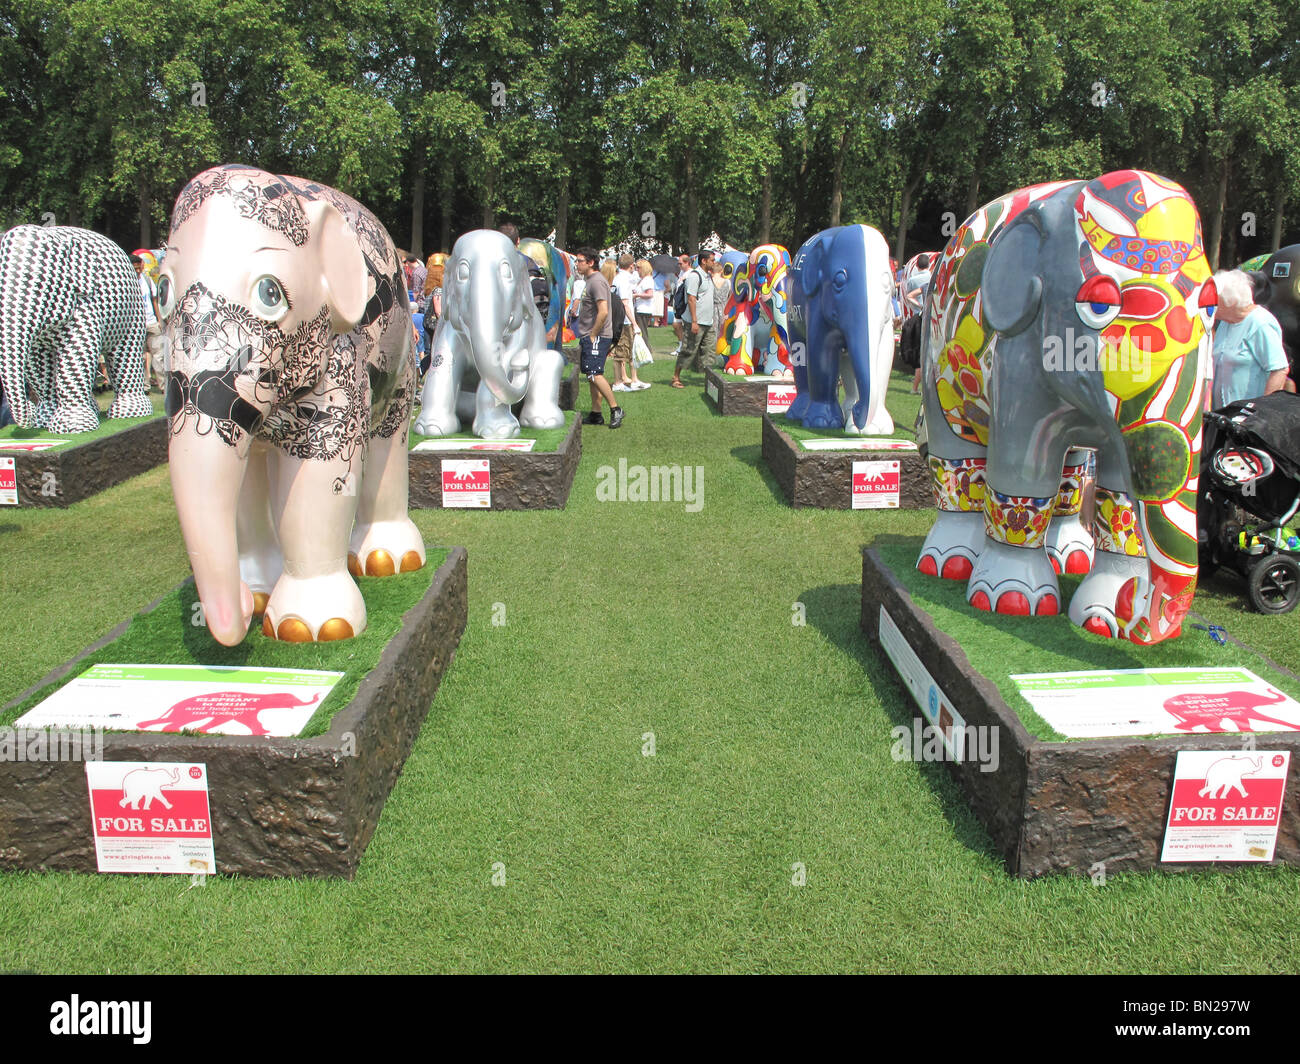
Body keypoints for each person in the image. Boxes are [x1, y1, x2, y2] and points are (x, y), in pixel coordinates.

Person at [1209, 269, 1288, 409]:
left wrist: (1261, 410)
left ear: (1229, 302)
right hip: (1223, 414)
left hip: (1247, 417)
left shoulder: (1260, 323)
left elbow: (1279, 369)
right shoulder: (1226, 322)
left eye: (1215, 301)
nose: (1210, 305)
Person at [573, 247, 623, 428]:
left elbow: (603, 311)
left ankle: (616, 409)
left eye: (580, 261)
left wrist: (593, 334)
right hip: (590, 335)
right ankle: (596, 413)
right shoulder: (590, 281)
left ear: (591, 262)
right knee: (590, 373)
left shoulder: (596, 282)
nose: (576, 264)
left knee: (594, 373)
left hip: (598, 335)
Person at [672, 249, 716, 388]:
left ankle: (709, 380)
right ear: (704, 261)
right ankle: (676, 378)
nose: (714, 263)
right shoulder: (694, 276)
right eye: (712, 260)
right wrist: (694, 322)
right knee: (689, 349)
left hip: (708, 321)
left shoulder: (708, 276)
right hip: (695, 321)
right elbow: (691, 299)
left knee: (709, 352)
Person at [611, 253, 650, 391]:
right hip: (624, 321)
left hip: (619, 320)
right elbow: (625, 303)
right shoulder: (624, 280)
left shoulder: (617, 278)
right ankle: (618, 383)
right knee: (621, 352)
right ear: (631, 266)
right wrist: (634, 323)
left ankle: (633, 379)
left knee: (630, 350)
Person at [131, 253, 162, 390]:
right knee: (140, 358)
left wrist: (159, 319)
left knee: (159, 355)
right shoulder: (126, 283)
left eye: (139, 268)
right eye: (135, 269)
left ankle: (163, 385)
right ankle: (145, 386)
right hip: (135, 324)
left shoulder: (147, 280)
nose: (138, 271)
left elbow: (154, 300)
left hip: (151, 322)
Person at [633, 259, 656, 338]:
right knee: (640, 333)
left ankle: (647, 349)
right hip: (640, 308)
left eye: (638, 267)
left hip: (644, 310)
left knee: (642, 333)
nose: (637, 270)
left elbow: (650, 294)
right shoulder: (642, 279)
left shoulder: (648, 280)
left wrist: (637, 295)